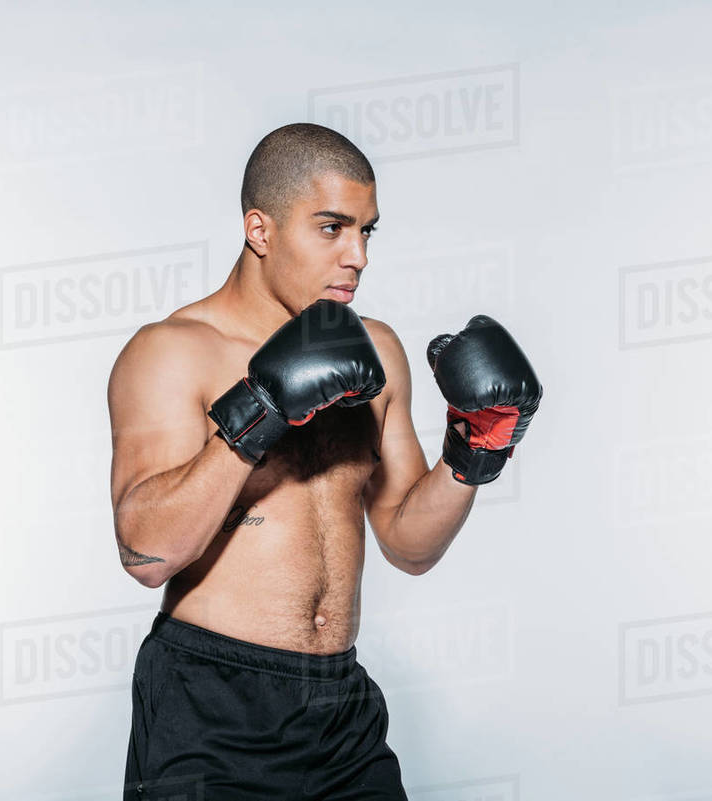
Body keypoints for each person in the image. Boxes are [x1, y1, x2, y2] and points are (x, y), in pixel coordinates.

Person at [108, 122, 542, 800]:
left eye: (367, 231)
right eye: (333, 228)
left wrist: (474, 452)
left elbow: (408, 542)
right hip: (210, 704)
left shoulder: (377, 350)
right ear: (261, 228)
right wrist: (258, 410)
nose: (358, 256)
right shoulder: (172, 351)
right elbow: (146, 553)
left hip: (340, 711)